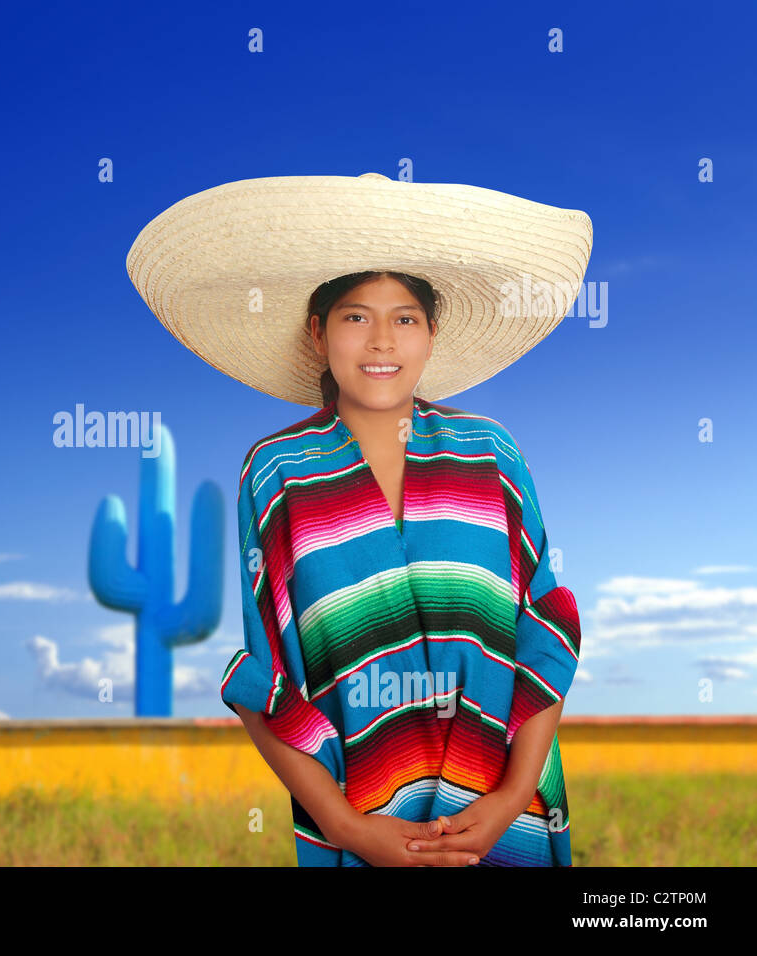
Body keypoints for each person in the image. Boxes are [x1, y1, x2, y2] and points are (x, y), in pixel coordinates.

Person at [125, 172, 590, 866]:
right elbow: (269, 679)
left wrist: (508, 796)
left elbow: (545, 629)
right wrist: (346, 828)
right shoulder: (277, 473)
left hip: (504, 809)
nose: (381, 340)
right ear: (318, 333)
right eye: (354, 316)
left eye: (404, 317)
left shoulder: (492, 454)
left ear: (432, 335)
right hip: (364, 817)